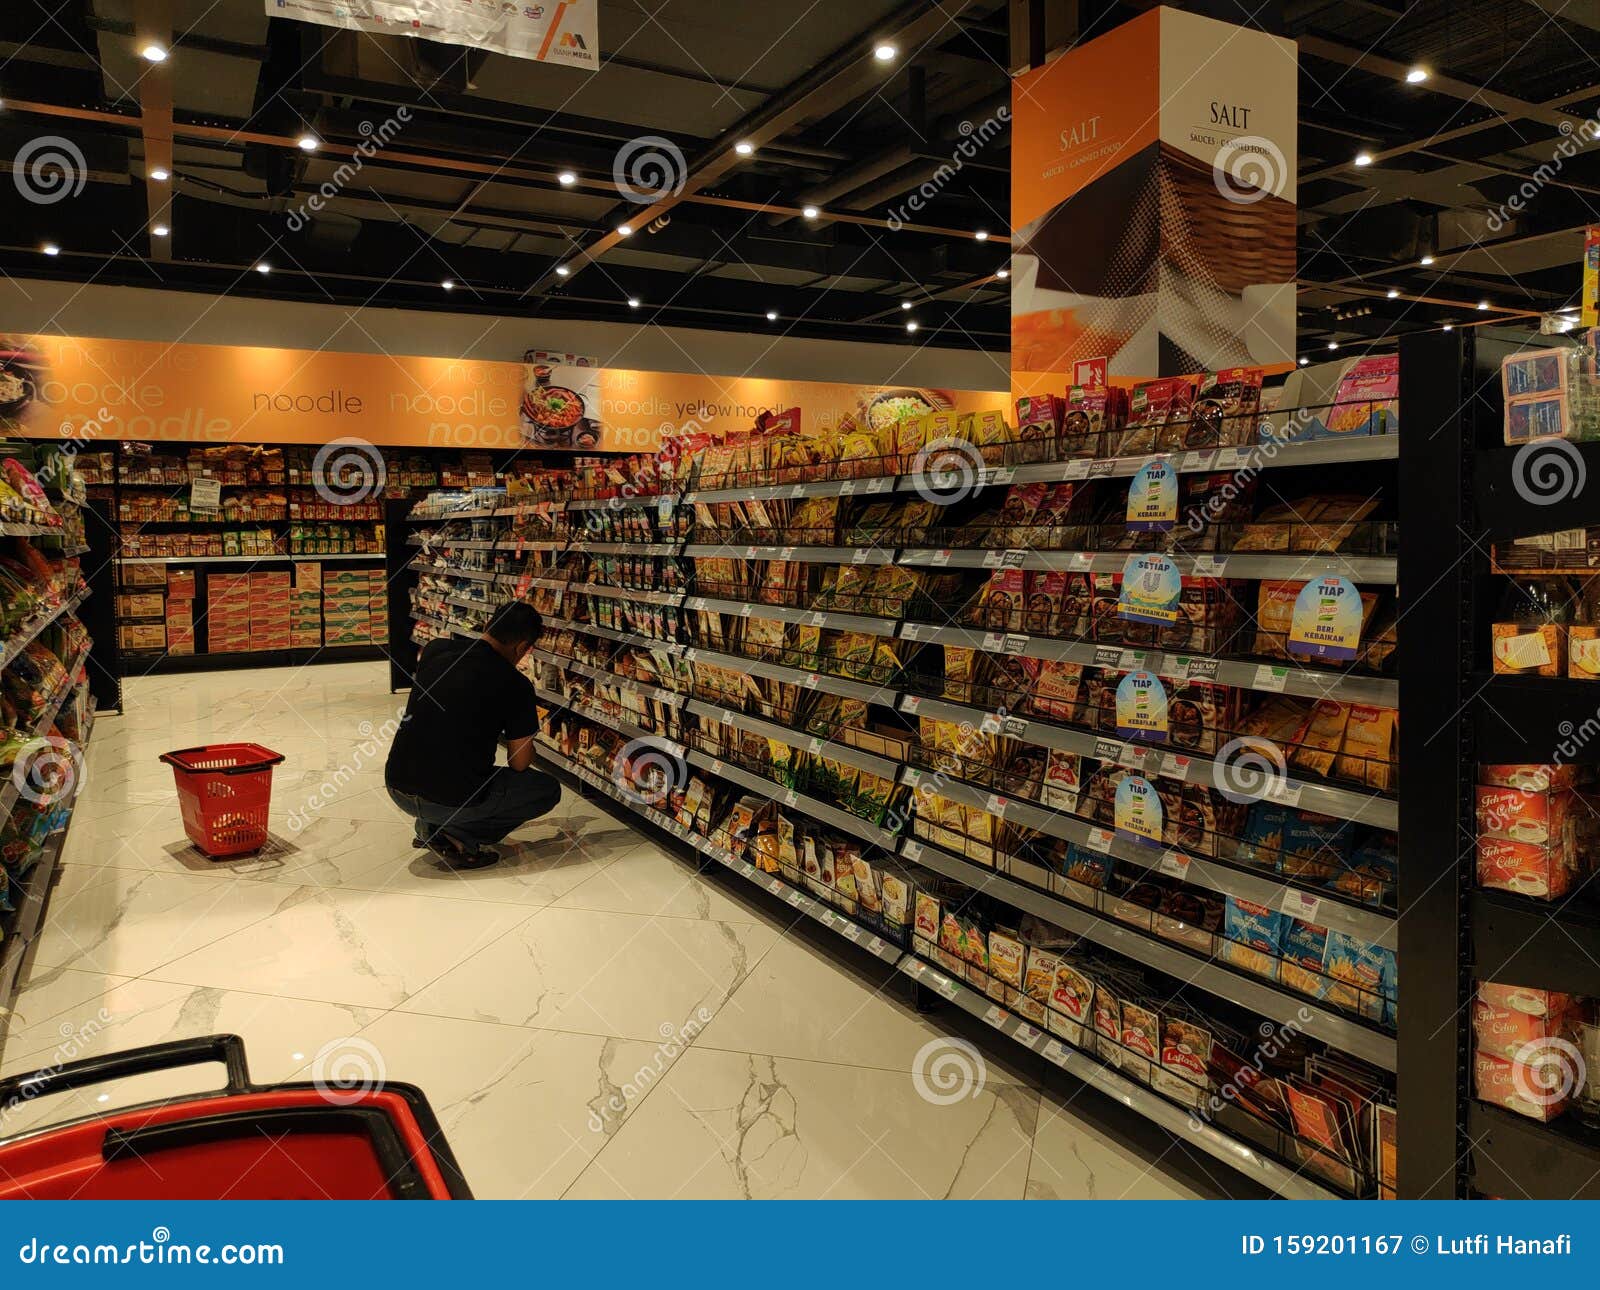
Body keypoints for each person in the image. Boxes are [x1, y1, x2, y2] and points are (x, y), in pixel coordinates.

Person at [385, 600, 559, 868]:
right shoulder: (515, 684)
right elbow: (519, 763)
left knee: (444, 767)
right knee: (544, 790)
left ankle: (431, 824)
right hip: (448, 796)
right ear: (523, 648)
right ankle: (455, 835)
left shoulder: (435, 649)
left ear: (488, 625)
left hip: (397, 785)